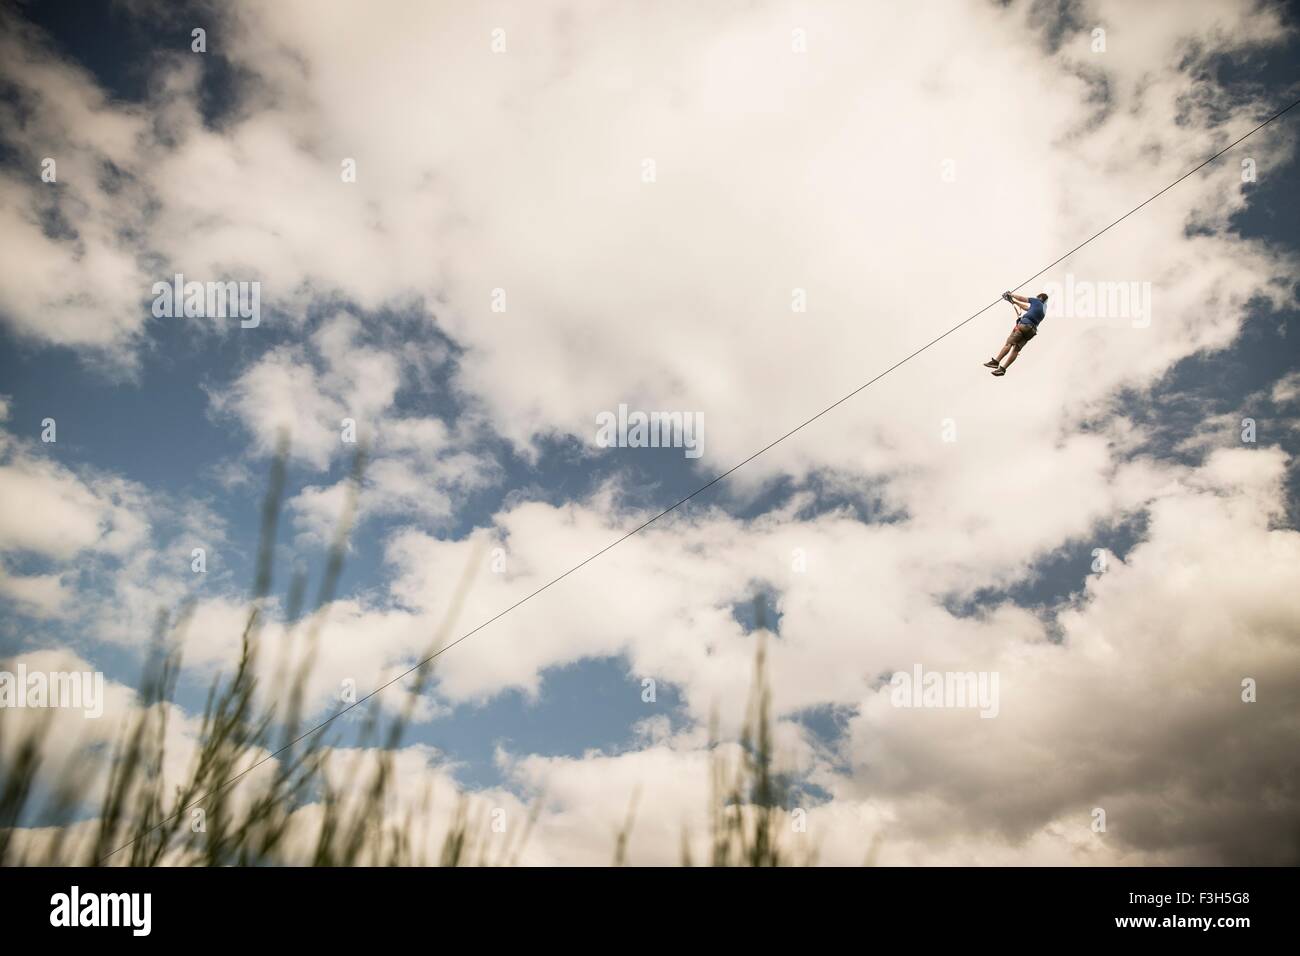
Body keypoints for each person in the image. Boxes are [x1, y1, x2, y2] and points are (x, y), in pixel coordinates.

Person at [984, 291, 1048, 376]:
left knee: (1009, 344)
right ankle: (1003, 369)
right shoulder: (1042, 311)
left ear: (1040, 298)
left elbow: (1023, 299)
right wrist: (1014, 302)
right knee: (1016, 350)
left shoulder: (1036, 301)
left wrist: (1011, 295)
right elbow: (1025, 307)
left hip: (1024, 325)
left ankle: (996, 362)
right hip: (1031, 331)